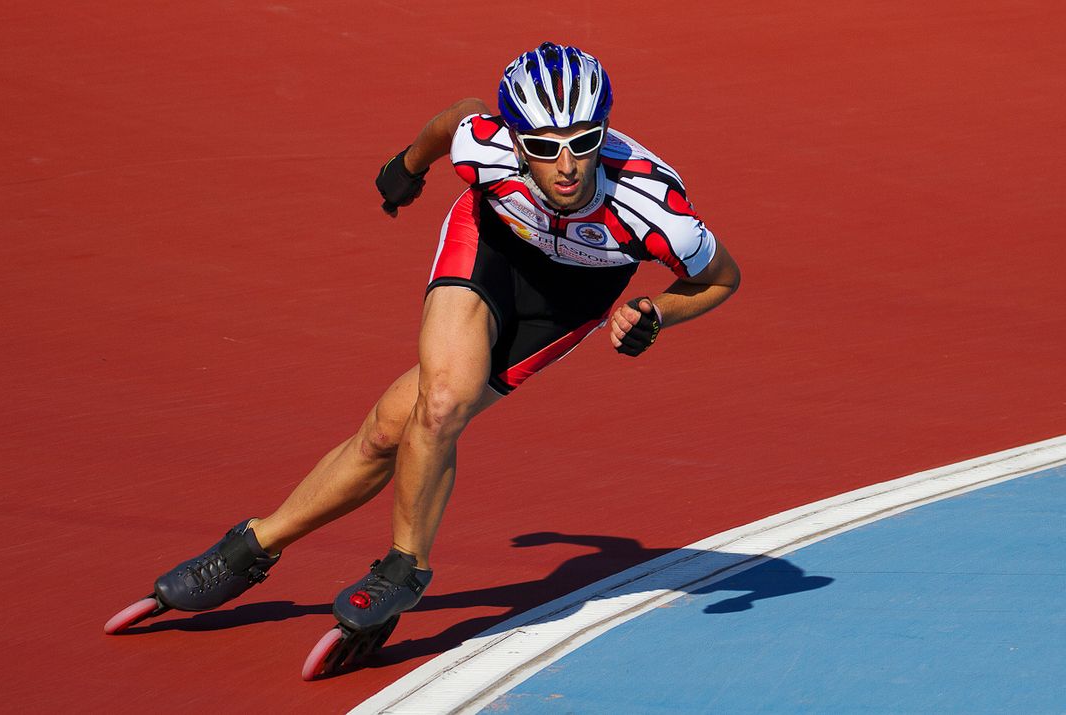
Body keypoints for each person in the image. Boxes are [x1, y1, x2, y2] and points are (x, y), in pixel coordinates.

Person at [106, 42, 740, 675]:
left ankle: (255, 545)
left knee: (390, 430)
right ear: (515, 143)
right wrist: (408, 166)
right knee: (441, 405)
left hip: (566, 303)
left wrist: (657, 311)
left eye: (584, 140)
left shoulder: (653, 206)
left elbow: (721, 278)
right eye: (544, 148)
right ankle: (399, 568)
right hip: (488, 249)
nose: (568, 166)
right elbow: (456, 117)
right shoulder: (482, 147)